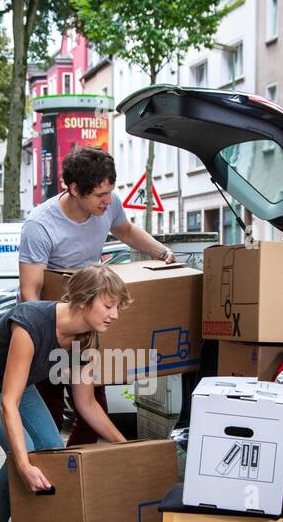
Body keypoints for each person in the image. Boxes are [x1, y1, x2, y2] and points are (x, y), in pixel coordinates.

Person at [0, 265, 133, 522]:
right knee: (21, 451)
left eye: (117, 307)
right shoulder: (31, 323)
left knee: (52, 451)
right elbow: (8, 405)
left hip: (17, 382)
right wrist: (23, 464)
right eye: (108, 306)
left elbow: (86, 403)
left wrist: (125, 448)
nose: (115, 315)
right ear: (83, 301)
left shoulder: (87, 339)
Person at [18, 147, 175, 445]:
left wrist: (163, 252)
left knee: (93, 414)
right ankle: (43, 475)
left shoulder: (109, 204)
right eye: (100, 195)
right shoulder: (40, 225)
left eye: (110, 192)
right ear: (74, 189)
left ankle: (74, 473)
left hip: (85, 328)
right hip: (46, 331)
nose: (108, 200)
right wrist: (49, 346)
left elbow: (126, 230)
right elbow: (30, 294)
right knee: (46, 419)